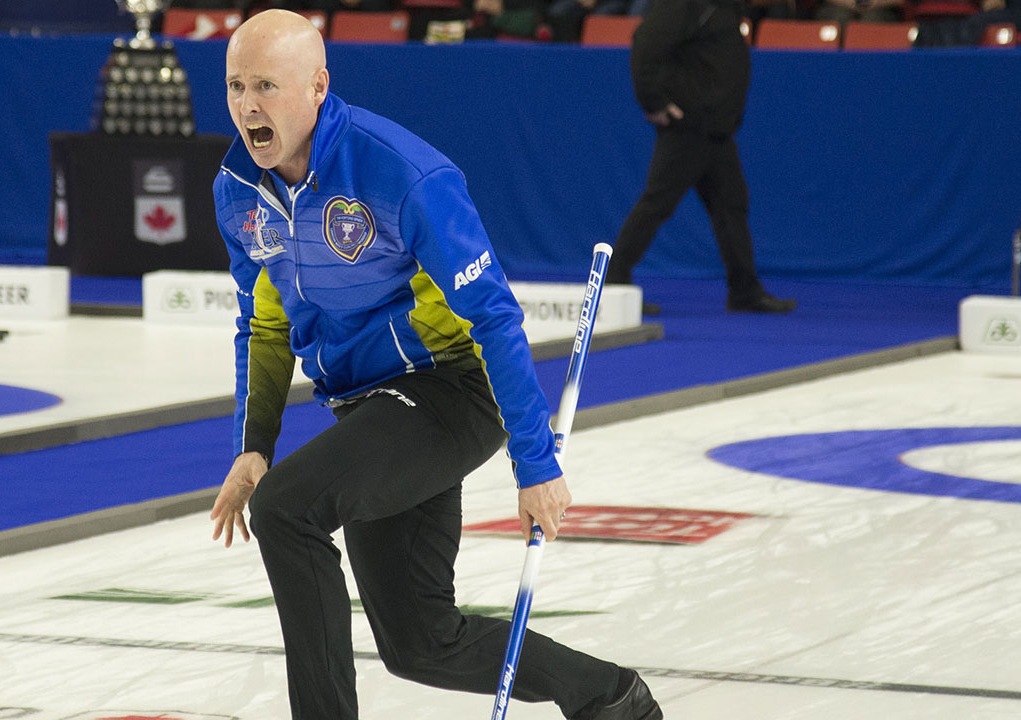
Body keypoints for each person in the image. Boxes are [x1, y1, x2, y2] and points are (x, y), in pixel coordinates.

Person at [208, 10, 662, 720]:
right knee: (420, 641)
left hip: (452, 388)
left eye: (266, 84)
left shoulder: (403, 173)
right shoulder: (237, 190)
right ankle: (613, 700)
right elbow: (263, 325)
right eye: (236, 85)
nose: (248, 105)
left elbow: (493, 317)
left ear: (318, 86)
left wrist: (536, 465)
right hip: (368, 406)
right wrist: (252, 447)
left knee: (288, 511)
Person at [607, 0, 796, 314]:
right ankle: (612, 283)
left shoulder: (722, 7)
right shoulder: (686, 5)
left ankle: (744, 290)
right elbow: (646, 44)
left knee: (731, 206)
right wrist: (654, 102)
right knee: (656, 204)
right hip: (689, 127)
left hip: (717, 130)